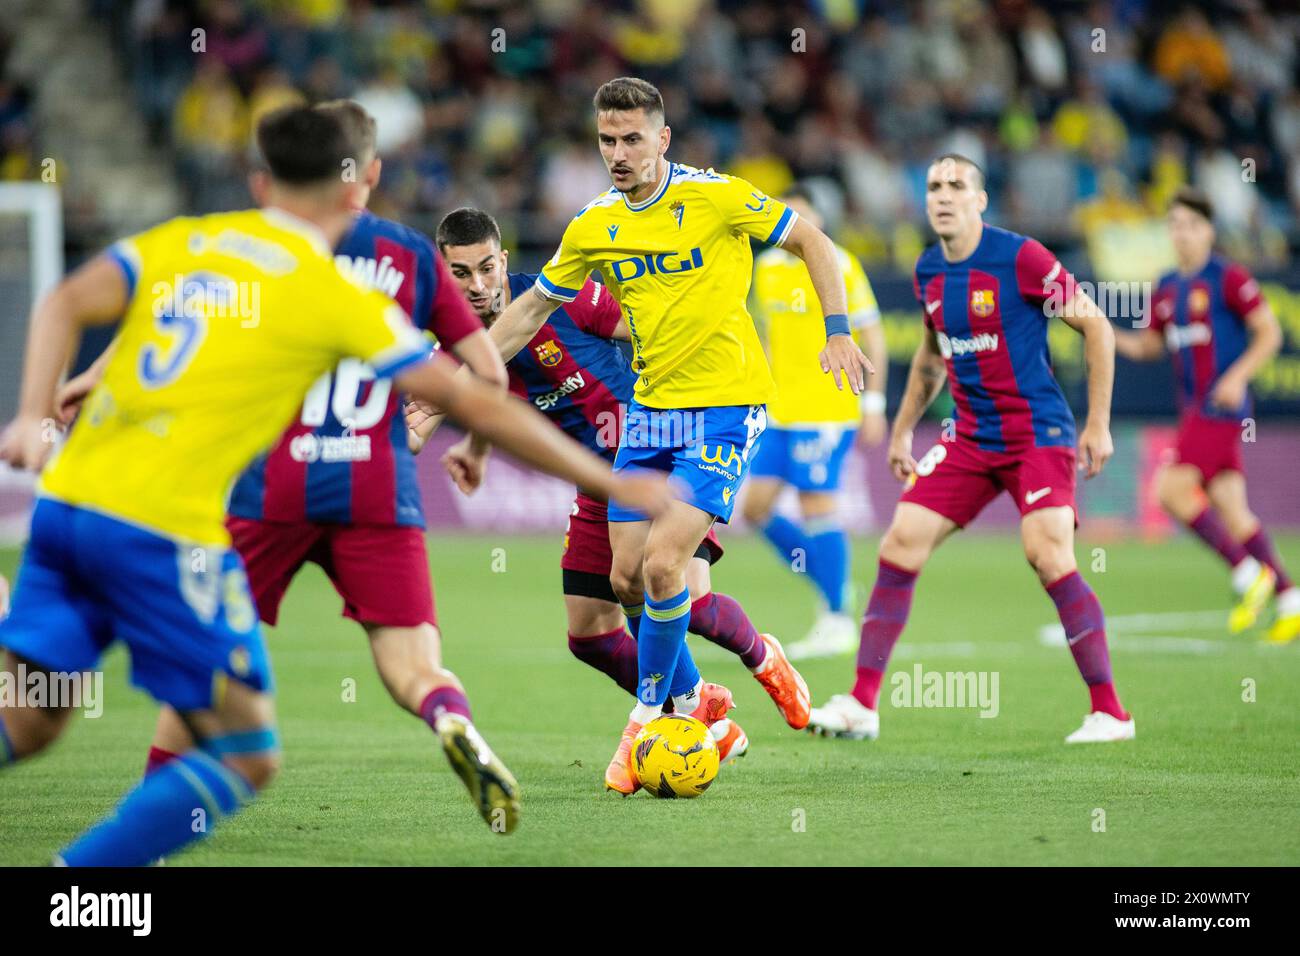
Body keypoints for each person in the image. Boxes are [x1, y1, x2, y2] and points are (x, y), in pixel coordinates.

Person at [0, 105, 668, 866]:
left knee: (33, 717)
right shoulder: (331, 289)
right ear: (365, 183)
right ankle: (84, 883)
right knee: (245, 748)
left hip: (67, 504)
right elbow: (474, 390)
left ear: (259, 181)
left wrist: (36, 410)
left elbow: (68, 302)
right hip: (168, 528)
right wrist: (600, 476)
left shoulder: (193, 241)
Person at [55, 100, 526, 835]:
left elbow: (177, 302)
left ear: (271, 177)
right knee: (413, 666)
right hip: (376, 483)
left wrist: (98, 375)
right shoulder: (406, 256)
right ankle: (449, 718)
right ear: (368, 173)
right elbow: (489, 378)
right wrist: (472, 446)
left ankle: (144, 815)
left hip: (272, 484)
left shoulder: (264, 250)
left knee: (204, 669)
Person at [485, 77, 871, 794]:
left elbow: (813, 240)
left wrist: (838, 331)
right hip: (651, 415)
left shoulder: (717, 196)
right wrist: (457, 373)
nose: (620, 152)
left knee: (665, 567)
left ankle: (644, 724)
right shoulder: (594, 225)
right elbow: (532, 306)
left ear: (663, 139)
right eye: (608, 140)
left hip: (728, 408)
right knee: (625, 578)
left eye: (634, 138)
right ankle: (738, 674)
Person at [415, 206, 816, 763]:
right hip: (597, 481)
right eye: (462, 274)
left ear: (504, 259)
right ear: (443, 272)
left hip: (655, 456)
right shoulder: (451, 347)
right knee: (590, 636)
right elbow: (481, 396)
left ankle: (758, 658)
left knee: (684, 598)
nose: (479, 286)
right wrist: (469, 445)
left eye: (487, 268)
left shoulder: (561, 293)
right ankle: (700, 715)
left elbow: (646, 328)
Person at [807, 153, 1133, 744]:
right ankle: (861, 704)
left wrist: (1099, 424)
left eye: (957, 185)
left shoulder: (1021, 258)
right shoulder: (929, 269)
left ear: (980, 200)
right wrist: (904, 428)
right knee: (900, 541)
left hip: (1036, 431)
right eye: (934, 185)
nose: (944, 195)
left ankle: (1110, 712)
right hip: (971, 437)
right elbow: (932, 357)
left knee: (1047, 552)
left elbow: (1097, 327)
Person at [1113, 187, 1295, 643]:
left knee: (1169, 491)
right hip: (1195, 411)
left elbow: (1269, 333)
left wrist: (1237, 378)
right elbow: (1148, 346)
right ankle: (1290, 598)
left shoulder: (1228, 277)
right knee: (1234, 511)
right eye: (1174, 224)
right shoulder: (1167, 287)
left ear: (1209, 231)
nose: (1182, 233)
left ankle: (1245, 572)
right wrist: (1102, 331)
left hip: (1220, 406)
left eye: (1191, 224)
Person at [742, 184, 889, 659]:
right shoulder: (765, 269)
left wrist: (874, 404)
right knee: (754, 509)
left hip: (828, 407)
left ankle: (836, 618)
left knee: (816, 505)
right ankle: (834, 582)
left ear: (819, 222)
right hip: (780, 409)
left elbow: (873, 334)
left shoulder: (840, 263)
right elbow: (763, 332)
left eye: (804, 218)